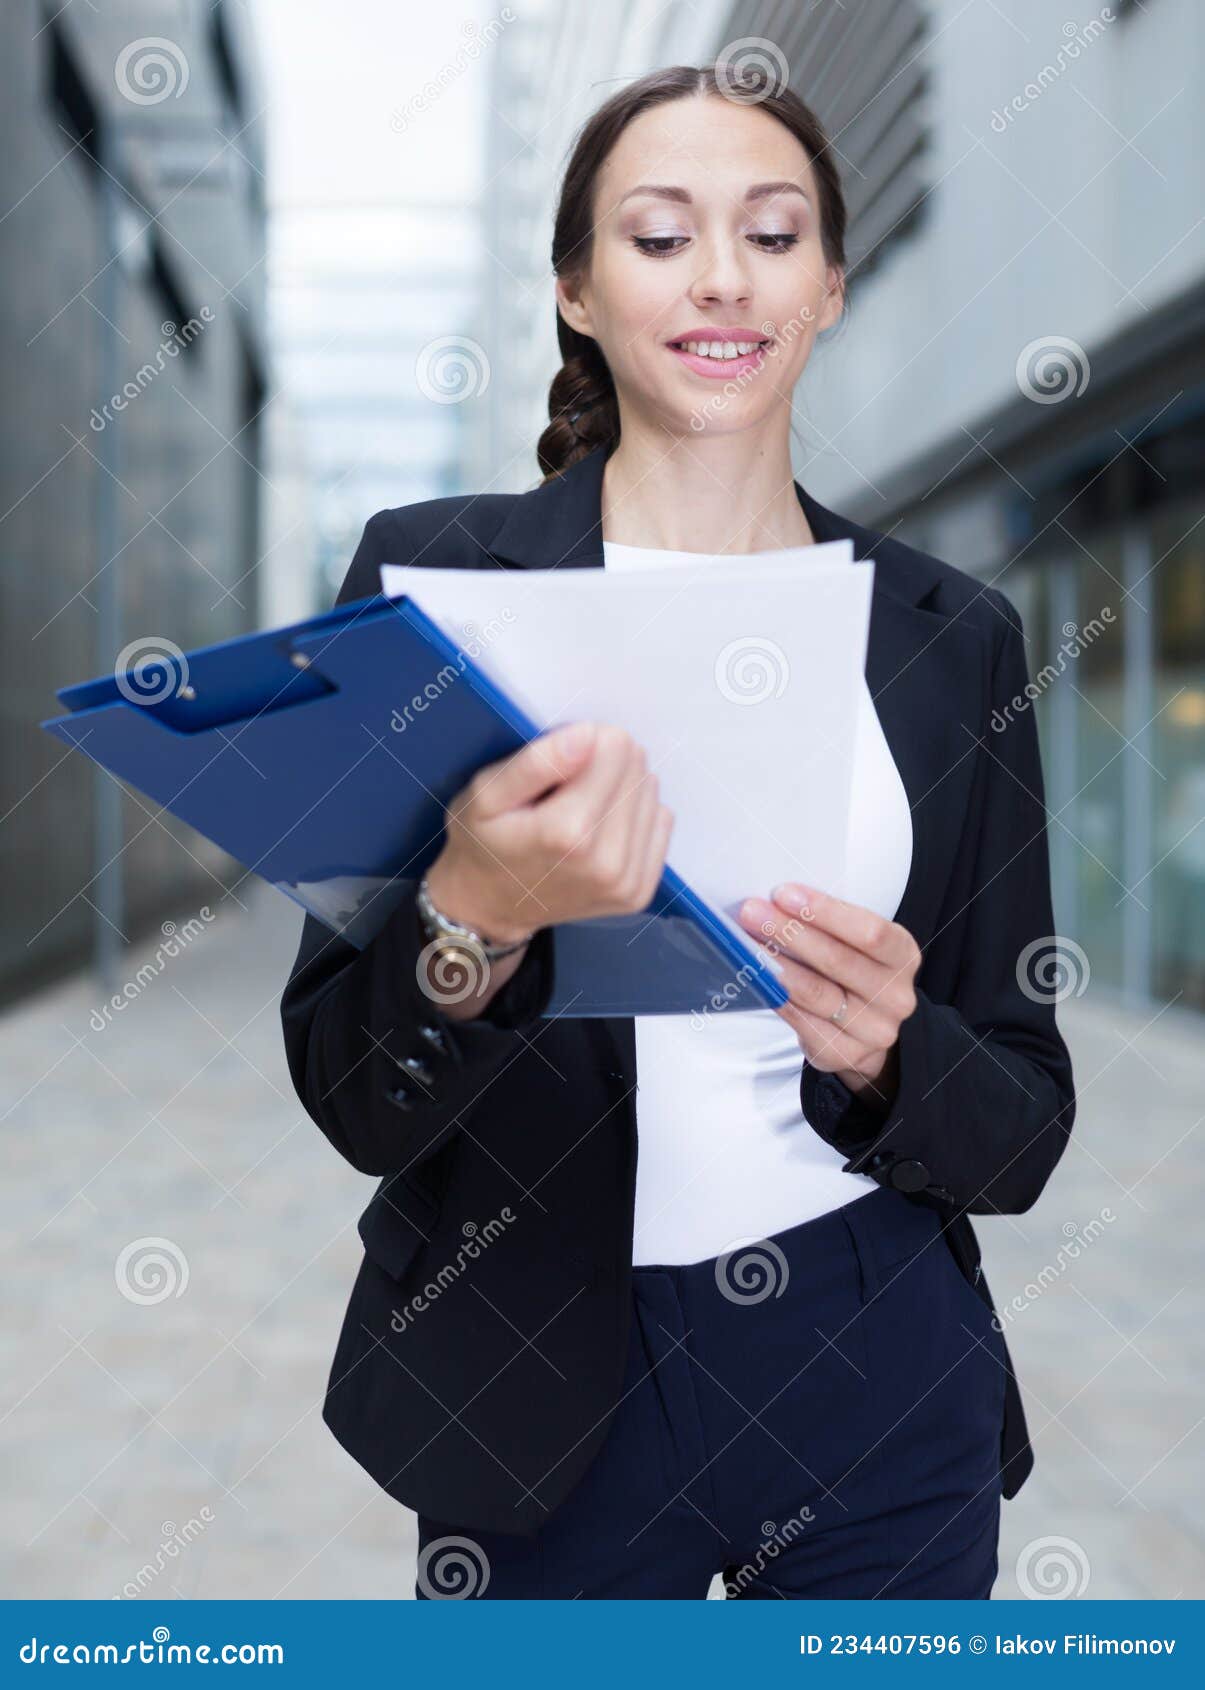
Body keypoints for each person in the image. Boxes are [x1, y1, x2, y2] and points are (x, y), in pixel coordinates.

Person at [280, 62, 1076, 1600]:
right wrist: (473, 914)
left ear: (831, 286)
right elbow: (351, 1090)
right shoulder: (435, 594)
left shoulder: (944, 635)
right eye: (657, 238)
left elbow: (1025, 1124)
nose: (721, 277)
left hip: (874, 1357)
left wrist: (889, 1050)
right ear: (574, 288)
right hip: (534, 1369)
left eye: (771, 236)